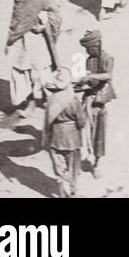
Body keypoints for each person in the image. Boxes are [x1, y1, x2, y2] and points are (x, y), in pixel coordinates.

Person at [5, 0, 60, 111]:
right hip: (20, 40)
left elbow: (55, 13)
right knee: (22, 70)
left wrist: (43, 26)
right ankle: (31, 100)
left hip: (37, 40)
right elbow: (15, 18)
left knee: (41, 70)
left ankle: (49, 98)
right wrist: (9, 39)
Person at [75, 30, 115, 178]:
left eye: (88, 48)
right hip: (88, 98)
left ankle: (97, 164)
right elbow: (88, 78)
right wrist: (82, 83)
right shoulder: (89, 59)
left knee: (99, 133)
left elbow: (108, 75)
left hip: (99, 101)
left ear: (96, 45)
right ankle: (83, 156)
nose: (86, 51)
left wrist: (91, 76)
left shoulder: (107, 58)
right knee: (83, 130)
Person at [43, 69, 86, 199]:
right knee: (73, 168)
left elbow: (47, 122)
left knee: (59, 169)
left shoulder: (51, 101)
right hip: (72, 138)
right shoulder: (73, 101)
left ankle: (62, 194)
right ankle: (73, 193)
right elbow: (81, 121)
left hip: (56, 138)